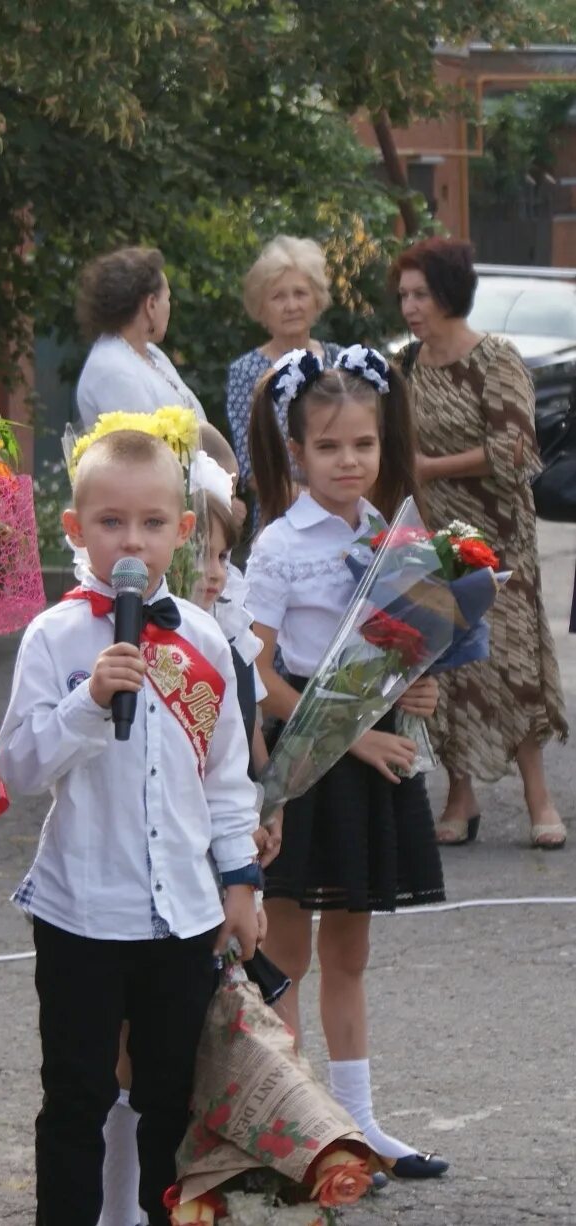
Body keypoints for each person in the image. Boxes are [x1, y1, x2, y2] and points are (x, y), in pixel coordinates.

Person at [0, 427, 259, 1226]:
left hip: (181, 911)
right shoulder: (54, 637)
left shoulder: (204, 639)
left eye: (151, 523)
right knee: (73, 1095)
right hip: (79, 908)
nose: (131, 541)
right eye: (110, 522)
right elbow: (17, 768)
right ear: (74, 532)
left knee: (172, 1101)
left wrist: (241, 879)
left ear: (183, 532)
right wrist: (84, 704)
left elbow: (225, 778)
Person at [245, 347, 451, 1180]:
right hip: (306, 765)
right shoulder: (276, 545)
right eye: (328, 448)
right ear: (297, 451)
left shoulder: (390, 533)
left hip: (372, 759)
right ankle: (295, 1131)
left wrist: (418, 690)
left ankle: (358, 1125)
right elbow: (254, 672)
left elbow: (403, 646)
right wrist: (352, 734)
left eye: (362, 445)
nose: (348, 462)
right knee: (285, 956)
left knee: (352, 955)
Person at [394, 237, 568, 849]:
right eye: (404, 296)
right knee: (453, 666)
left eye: (422, 294)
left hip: (501, 539)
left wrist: (430, 466)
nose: (411, 307)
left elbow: (515, 450)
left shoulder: (495, 356)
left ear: (450, 293)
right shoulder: (409, 365)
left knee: (512, 664)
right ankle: (460, 795)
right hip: (437, 540)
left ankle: (537, 797)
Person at [224, 237, 340, 494]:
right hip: (280, 515)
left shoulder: (340, 361)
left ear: (317, 299)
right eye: (278, 297)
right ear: (261, 308)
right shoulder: (247, 372)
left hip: (347, 508)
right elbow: (253, 469)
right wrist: (319, 503)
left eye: (300, 293)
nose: (291, 306)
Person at [73, 246, 203, 430]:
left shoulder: (152, 354)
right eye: (167, 298)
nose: (169, 306)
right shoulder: (110, 369)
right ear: (151, 305)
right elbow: (145, 447)